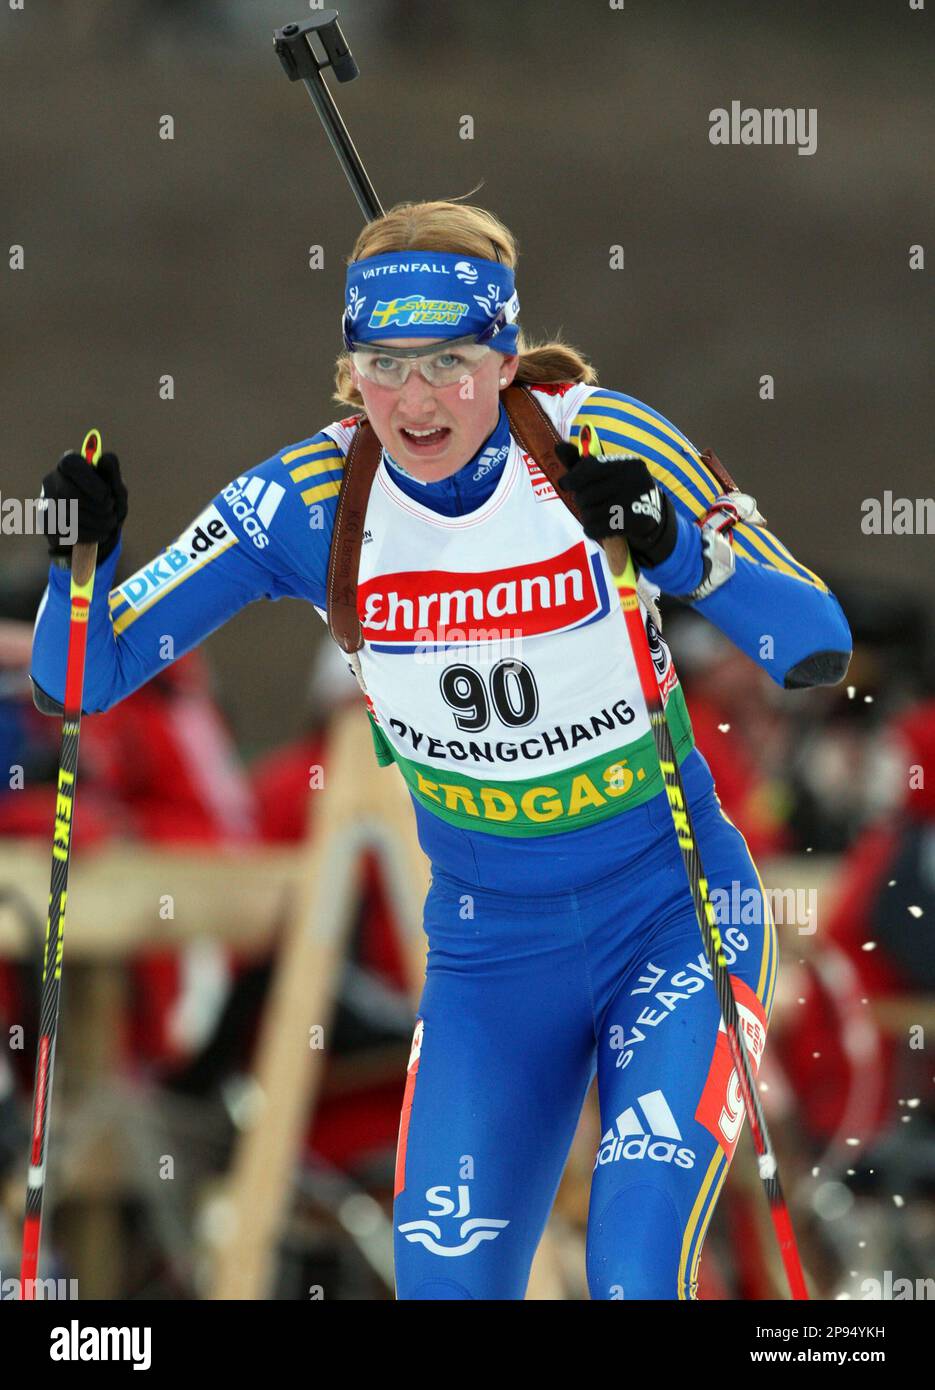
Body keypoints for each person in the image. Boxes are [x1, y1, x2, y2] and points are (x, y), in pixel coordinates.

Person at [30, 199, 852, 1300]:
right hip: (488, 957)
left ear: (504, 355)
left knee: (630, 1269)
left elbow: (813, 646)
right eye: (383, 364)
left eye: (451, 362)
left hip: (671, 917)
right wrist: (75, 561)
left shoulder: (598, 441)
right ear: (348, 369)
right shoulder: (307, 501)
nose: (416, 401)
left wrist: (681, 550)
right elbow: (80, 677)